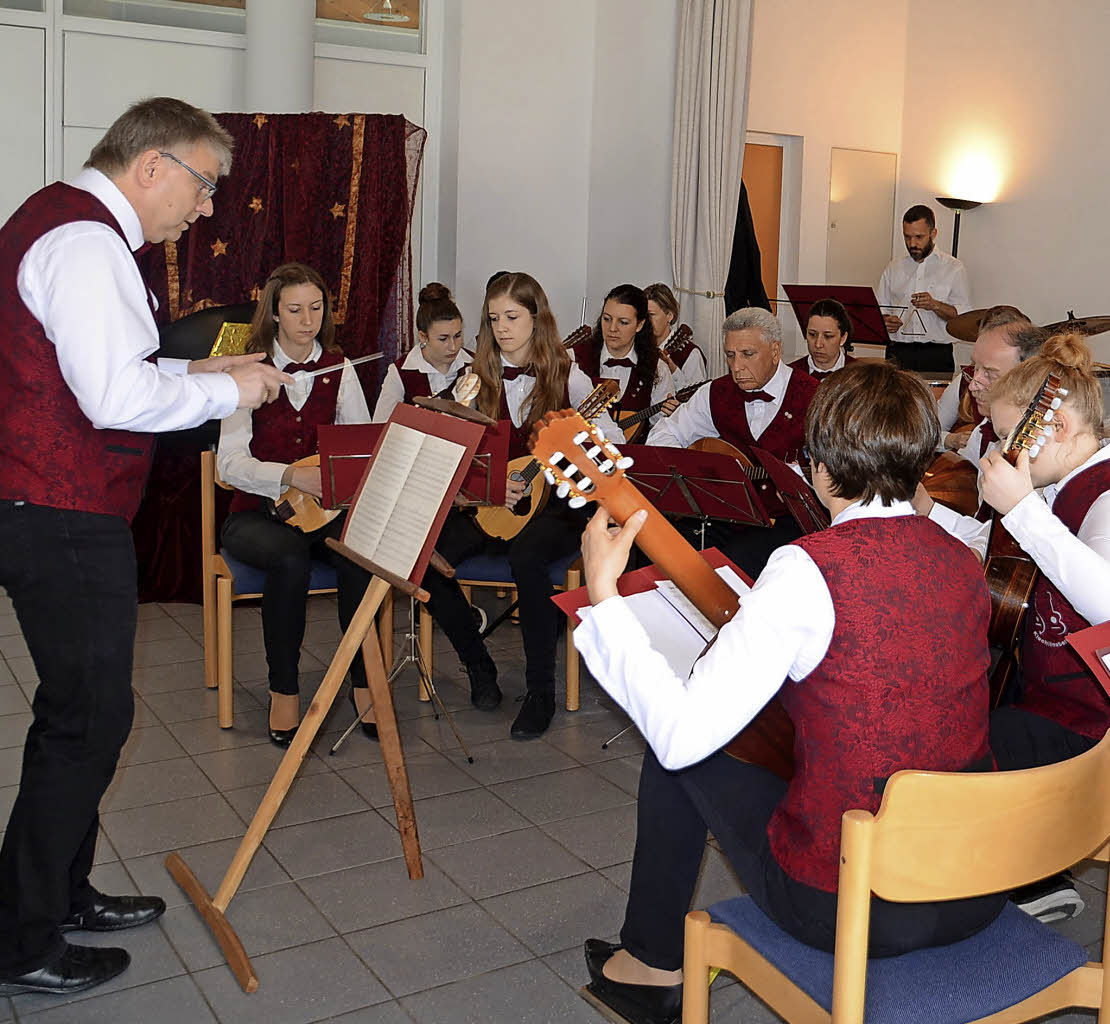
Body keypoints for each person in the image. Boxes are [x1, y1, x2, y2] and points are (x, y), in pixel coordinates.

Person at [575, 361, 1001, 1024]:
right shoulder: (962, 560)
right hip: (975, 882)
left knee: (679, 757)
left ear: (820, 468)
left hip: (857, 902)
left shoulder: (807, 567)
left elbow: (683, 732)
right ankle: (651, 958)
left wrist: (603, 596)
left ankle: (653, 964)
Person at [0, 97, 289, 996]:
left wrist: (197, 370)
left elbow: (113, 367)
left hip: (53, 502)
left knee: (79, 715)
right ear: (153, 163)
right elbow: (112, 402)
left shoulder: (70, 224)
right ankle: (21, 942)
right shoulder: (88, 243)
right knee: (88, 721)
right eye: (204, 186)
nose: (206, 209)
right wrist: (226, 398)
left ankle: (58, 896)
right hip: (58, 509)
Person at [916, 333, 1110, 924]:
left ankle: (997, 890)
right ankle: (1026, 874)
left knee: (964, 748)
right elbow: (1009, 561)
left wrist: (1023, 510)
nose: (998, 454)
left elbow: (1104, 599)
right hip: (1050, 689)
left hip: (1093, 720)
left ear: (1056, 430)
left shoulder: (1103, 494)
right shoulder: (1053, 484)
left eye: (1008, 439)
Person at [419, 271, 621, 739]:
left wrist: (579, 442)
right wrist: (485, 483)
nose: (502, 328)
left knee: (527, 557)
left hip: (556, 506)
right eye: (493, 319)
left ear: (537, 317)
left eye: (512, 316)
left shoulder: (569, 373)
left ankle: (539, 692)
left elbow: (612, 437)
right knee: (426, 559)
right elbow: (450, 445)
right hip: (492, 501)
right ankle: (478, 665)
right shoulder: (475, 376)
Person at [218, 262, 382, 747]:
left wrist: (339, 481)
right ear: (274, 313)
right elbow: (229, 464)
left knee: (360, 556)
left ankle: (363, 685)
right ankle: (284, 692)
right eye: (294, 310)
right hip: (254, 514)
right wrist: (290, 475)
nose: (307, 320)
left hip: (324, 515)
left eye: (316, 308)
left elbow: (360, 449)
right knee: (289, 562)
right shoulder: (245, 370)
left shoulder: (339, 368)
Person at [646, 307, 819, 578]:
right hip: (725, 515)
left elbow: (840, 471)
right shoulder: (716, 392)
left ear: (775, 351)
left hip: (787, 522)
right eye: (730, 355)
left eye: (747, 354)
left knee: (730, 567)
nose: (736, 367)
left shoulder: (815, 397)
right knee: (659, 552)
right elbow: (666, 434)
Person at [934, 306, 1044, 460]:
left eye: (990, 374)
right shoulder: (983, 432)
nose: (972, 386)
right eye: (976, 368)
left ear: (1027, 378)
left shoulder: (1045, 447)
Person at [878, 204, 970, 373]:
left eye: (919, 237)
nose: (912, 243)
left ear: (933, 234)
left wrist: (935, 305)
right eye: (907, 237)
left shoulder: (953, 268)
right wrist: (885, 322)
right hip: (897, 352)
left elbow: (963, 319)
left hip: (936, 354)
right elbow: (879, 311)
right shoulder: (893, 267)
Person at [572, 284, 673, 430]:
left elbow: (662, 429)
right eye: (607, 319)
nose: (612, 328)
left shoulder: (658, 368)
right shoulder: (574, 358)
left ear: (640, 325)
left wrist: (671, 416)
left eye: (623, 322)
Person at [373, 282, 473, 422]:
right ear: (423, 337)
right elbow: (381, 425)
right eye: (443, 339)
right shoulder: (401, 372)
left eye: (457, 336)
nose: (453, 347)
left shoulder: (476, 364)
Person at [643, 282, 706, 389]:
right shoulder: (637, 347)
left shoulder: (690, 354)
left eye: (651, 315)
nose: (645, 322)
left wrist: (673, 371)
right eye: (643, 316)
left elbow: (697, 398)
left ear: (669, 315)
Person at [787, 297, 856, 381]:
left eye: (828, 336)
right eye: (812, 334)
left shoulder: (860, 375)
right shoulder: (789, 374)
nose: (818, 344)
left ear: (843, 338)